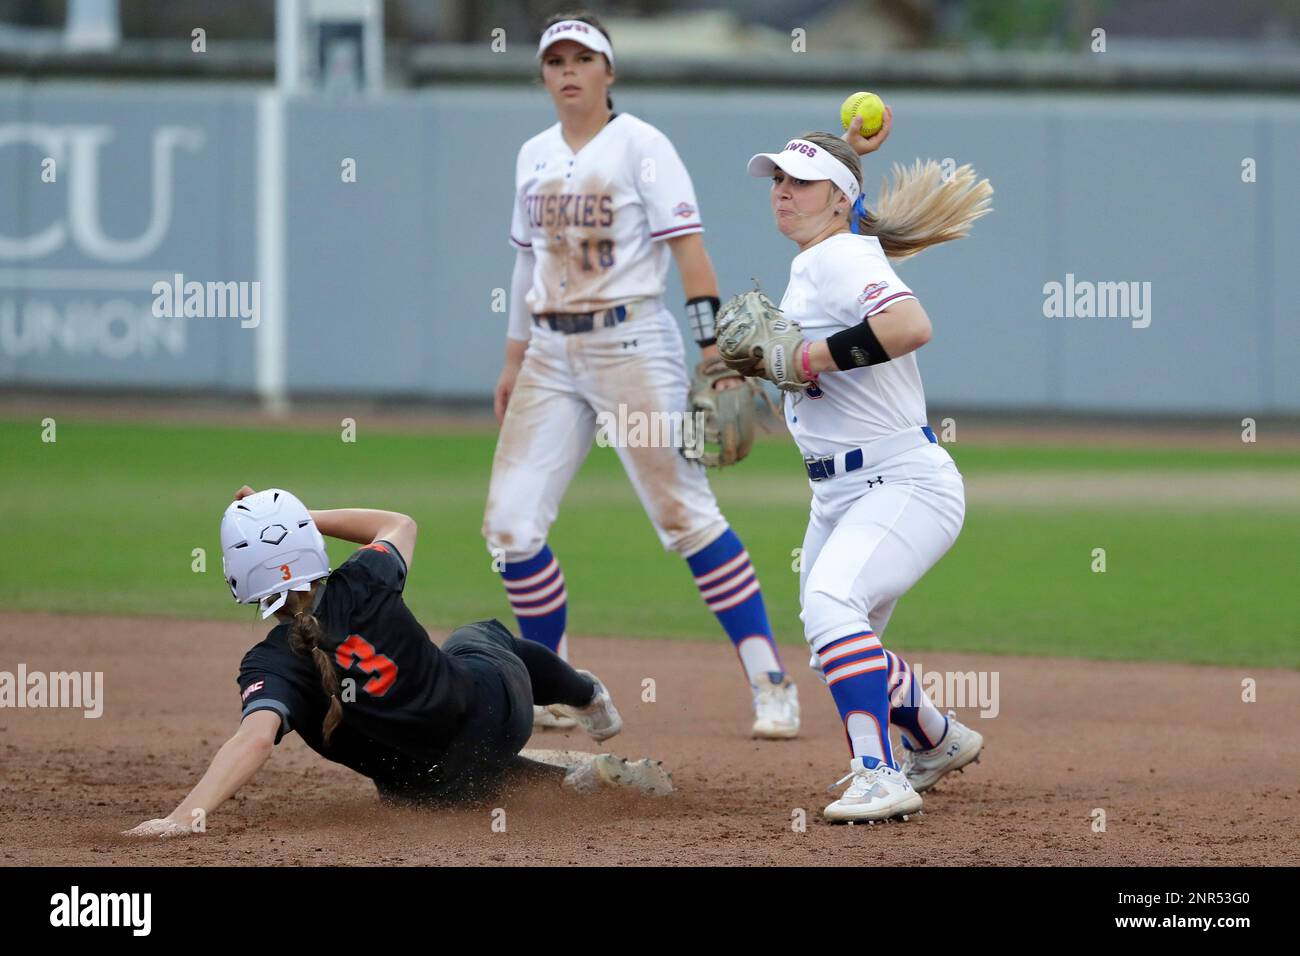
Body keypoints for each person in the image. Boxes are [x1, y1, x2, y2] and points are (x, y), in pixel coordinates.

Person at [485, 10, 812, 738]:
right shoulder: (533, 154)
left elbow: (691, 253)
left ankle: (771, 682)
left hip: (632, 344)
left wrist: (712, 351)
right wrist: (512, 358)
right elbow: (525, 260)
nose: (567, 70)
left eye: (581, 58)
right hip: (548, 352)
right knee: (510, 529)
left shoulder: (643, 146)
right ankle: (560, 689)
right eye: (555, 60)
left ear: (609, 71)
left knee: (683, 516)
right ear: (543, 74)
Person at [123, 486, 668, 839]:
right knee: (481, 636)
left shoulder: (270, 661)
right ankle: (586, 698)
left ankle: (563, 783)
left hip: (437, 788)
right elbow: (399, 523)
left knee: (425, 767)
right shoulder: (363, 579)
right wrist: (300, 517)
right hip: (500, 713)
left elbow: (257, 739)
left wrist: (186, 815)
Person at [723, 125, 994, 821]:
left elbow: (909, 325)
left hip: (901, 482)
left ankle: (878, 774)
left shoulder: (840, 256)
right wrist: (748, 373)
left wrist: (805, 358)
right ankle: (935, 739)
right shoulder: (815, 263)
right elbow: (812, 376)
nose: (782, 192)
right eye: (777, 180)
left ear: (840, 200)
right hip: (839, 491)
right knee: (835, 638)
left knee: (832, 607)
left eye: (800, 182)